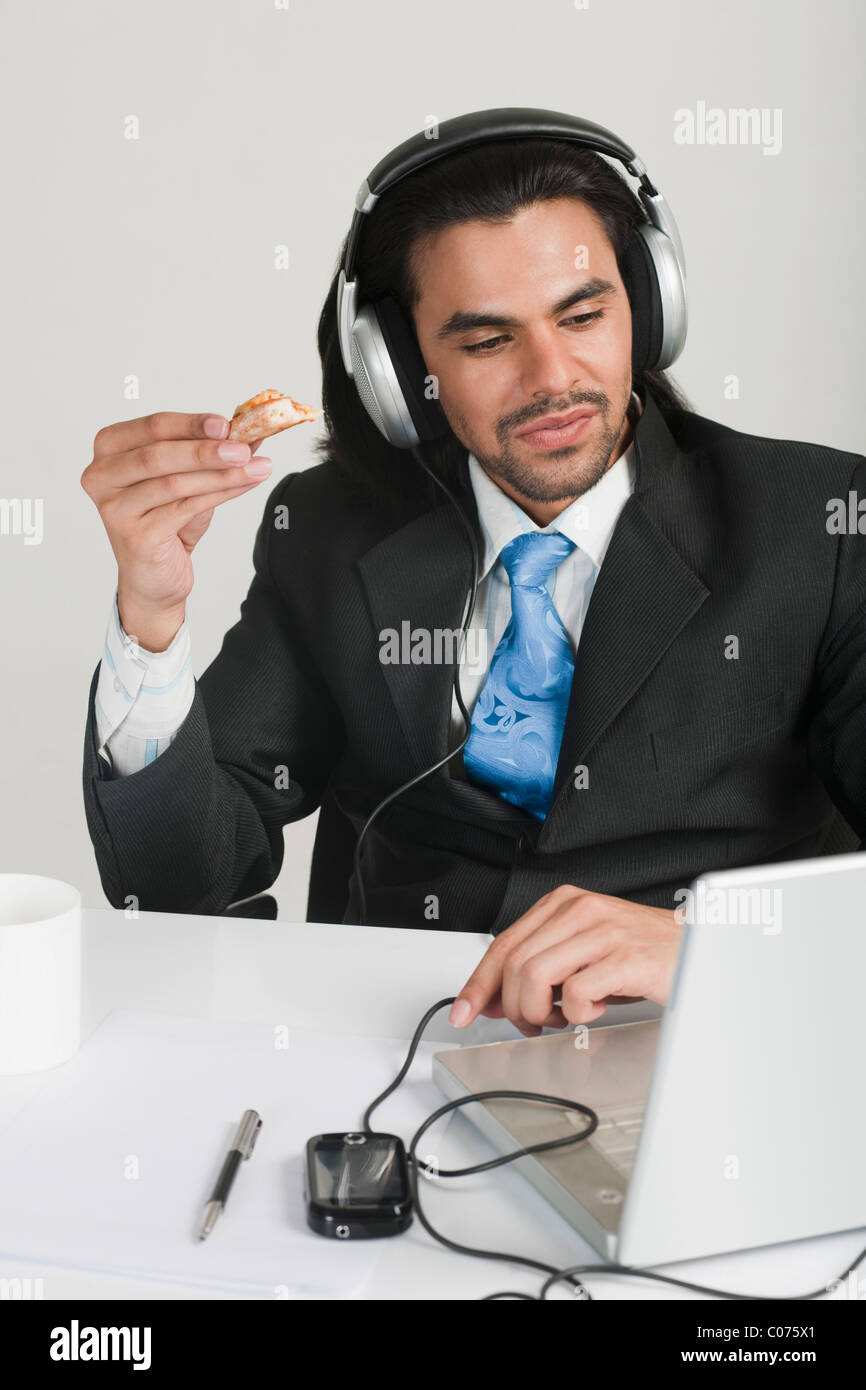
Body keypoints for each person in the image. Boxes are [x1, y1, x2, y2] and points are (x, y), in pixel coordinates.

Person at [80, 120, 866, 1038]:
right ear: (401, 369)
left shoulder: (825, 522)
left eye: (583, 316)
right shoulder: (328, 531)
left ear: (648, 308)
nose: (554, 378)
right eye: (489, 342)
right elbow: (182, 885)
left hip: (708, 1043)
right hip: (395, 1051)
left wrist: (712, 952)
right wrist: (152, 615)